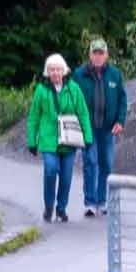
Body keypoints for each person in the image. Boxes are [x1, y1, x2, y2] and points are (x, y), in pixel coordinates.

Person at [22, 54, 92, 225]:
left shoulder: (73, 88)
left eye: (58, 69)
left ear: (64, 70)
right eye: (52, 69)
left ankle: (61, 209)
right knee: (51, 170)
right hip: (48, 140)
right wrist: (32, 141)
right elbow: (34, 117)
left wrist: (87, 137)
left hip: (68, 139)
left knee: (67, 178)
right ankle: (49, 206)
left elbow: (83, 113)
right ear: (48, 72)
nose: (55, 73)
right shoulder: (41, 90)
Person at [72, 38, 129, 219]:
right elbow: (72, 98)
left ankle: (102, 201)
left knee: (107, 163)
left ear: (106, 55)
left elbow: (122, 99)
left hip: (107, 128)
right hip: (87, 127)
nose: (97, 56)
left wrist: (120, 121)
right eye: (94, 53)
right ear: (90, 55)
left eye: (101, 53)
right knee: (90, 162)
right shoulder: (79, 75)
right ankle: (90, 202)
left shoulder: (115, 75)